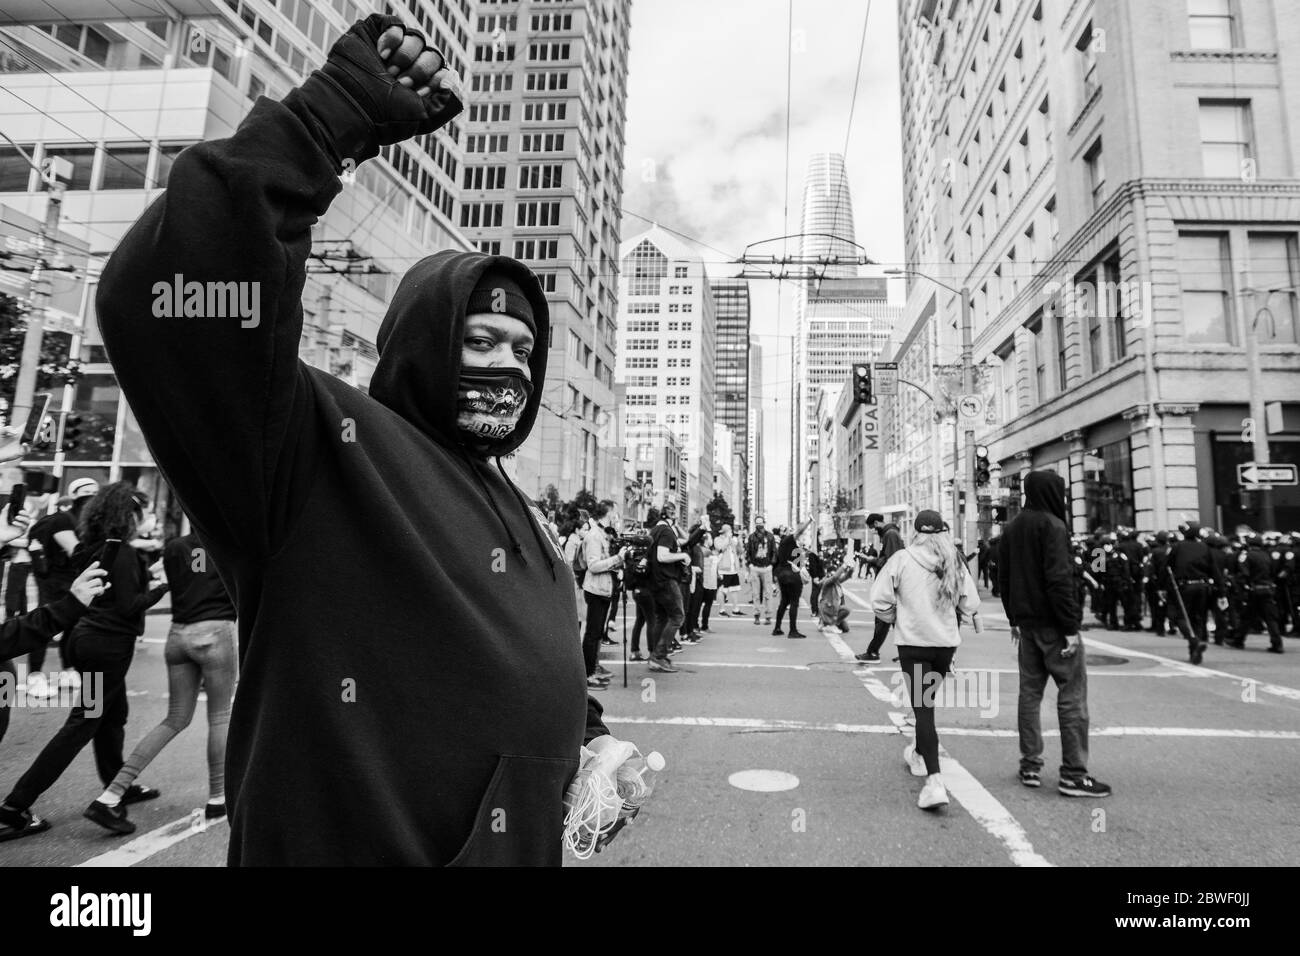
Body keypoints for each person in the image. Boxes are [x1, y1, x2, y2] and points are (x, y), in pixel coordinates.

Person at [95, 15, 644, 865]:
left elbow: (502, 649)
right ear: (424, 340)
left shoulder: (512, 501)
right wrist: (324, 122)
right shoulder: (316, 447)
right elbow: (171, 299)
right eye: (482, 340)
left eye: (527, 351)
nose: (510, 367)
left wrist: (586, 746)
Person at [0, 484, 170, 840]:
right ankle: (16, 804)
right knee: (85, 722)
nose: (150, 519)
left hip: (90, 642)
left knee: (113, 715)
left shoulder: (98, 549)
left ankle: (118, 784)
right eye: (147, 512)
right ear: (130, 515)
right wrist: (161, 586)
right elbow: (127, 606)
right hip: (105, 648)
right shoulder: (121, 553)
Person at [83, 527, 240, 834]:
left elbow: (167, 576)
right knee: (220, 717)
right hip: (216, 632)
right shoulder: (229, 543)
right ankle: (218, 798)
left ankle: (111, 793)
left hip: (178, 635)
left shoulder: (174, 547)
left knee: (174, 720)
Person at [998, 470, 1111, 798]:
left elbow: (1004, 578)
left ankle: (1030, 764)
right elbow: (1059, 580)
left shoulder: (1013, 527)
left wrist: (1013, 619)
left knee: (1029, 695)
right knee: (1072, 695)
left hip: (1026, 626)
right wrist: (1071, 628)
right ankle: (1074, 773)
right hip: (1054, 625)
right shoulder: (1053, 526)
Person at [871, 511, 980, 810]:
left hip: (914, 644)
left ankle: (934, 781)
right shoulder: (954, 560)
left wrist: (898, 618)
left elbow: (879, 600)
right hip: (944, 647)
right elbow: (971, 602)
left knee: (924, 710)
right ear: (943, 532)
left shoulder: (902, 559)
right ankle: (918, 754)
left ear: (917, 532)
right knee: (925, 704)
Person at [26, 481, 98, 695]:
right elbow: (76, 551)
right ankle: (34, 677)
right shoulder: (62, 520)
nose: (91, 496)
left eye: (94, 492)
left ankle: (67, 670)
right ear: (73, 495)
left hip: (72, 579)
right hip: (52, 581)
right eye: (85, 492)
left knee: (71, 624)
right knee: (44, 626)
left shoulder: (86, 521)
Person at [1158, 521, 1224, 665]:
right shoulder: (1205, 548)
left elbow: (1165, 568)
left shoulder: (1176, 547)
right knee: (1197, 618)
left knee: (1180, 616)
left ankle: (1194, 641)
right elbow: (1215, 571)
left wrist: (1162, 587)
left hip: (1184, 587)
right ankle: (1194, 650)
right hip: (1202, 586)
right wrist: (1222, 592)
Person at [580, 502, 628, 690]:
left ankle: (592, 670)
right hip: (595, 590)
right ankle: (587, 675)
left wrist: (618, 564)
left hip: (603, 589)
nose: (616, 518)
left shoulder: (602, 534)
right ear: (606, 514)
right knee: (592, 634)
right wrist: (618, 559)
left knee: (598, 633)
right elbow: (593, 565)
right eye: (614, 514)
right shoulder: (594, 536)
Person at [647, 504, 690, 673]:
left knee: (662, 617)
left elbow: (684, 539)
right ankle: (659, 655)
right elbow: (662, 555)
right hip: (666, 580)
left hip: (655, 580)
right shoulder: (665, 532)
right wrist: (682, 555)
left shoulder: (654, 530)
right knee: (678, 616)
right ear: (672, 517)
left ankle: (656, 656)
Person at [856, 513, 904, 663]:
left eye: (872, 528)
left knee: (883, 617)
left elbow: (892, 561)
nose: (873, 531)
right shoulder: (891, 533)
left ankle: (873, 652)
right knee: (895, 620)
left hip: (889, 585)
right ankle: (905, 652)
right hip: (892, 585)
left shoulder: (890, 534)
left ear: (876, 523)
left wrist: (874, 560)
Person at [1232, 533, 1283, 653]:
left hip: (1254, 590)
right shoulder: (1267, 555)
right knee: (1271, 618)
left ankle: (1238, 640)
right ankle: (1277, 644)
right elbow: (1274, 571)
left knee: (1246, 616)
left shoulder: (1246, 555)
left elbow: (1243, 573)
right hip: (1268, 589)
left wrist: (1241, 588)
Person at [771, 533, 806, 638]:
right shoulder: (793, 546)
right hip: (792, 576)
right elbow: (801, 565)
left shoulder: (782, 548)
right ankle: (793, 630)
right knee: (794, 603)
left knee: (784, 602)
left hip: (782, 575)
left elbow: (775, 562)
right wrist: (809, 521)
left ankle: (777, 628)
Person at [746, 516, 777, 626]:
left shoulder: (770, 537)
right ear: (755, 524)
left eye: (761, 523)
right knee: (755, 594)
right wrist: (750, 565)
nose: (759, 525)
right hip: (755, 567)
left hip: (766, 567)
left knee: (768, 593)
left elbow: (774, 551)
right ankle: (757, 616)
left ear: (764, 523)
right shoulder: (751, 537)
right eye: (757, 523)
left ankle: (768, 616)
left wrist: (771, 565)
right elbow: (748, 552)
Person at [714, 524, 742, 615]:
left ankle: (736, 609)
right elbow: (721, 548)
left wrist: (739, 540)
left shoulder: (732, 540)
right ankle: (722, 610)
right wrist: (727, 538)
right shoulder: (717, 539)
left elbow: (739, 551)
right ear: (725, 532)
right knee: (722, 589)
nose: (731, 532)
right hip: (723, 569)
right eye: (729, 531)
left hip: (733, 568)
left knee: (734, 589)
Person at [698, 531, 719, 633]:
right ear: (706, 540)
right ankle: (704, 625)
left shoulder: (699, 549)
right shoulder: (707, 552)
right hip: (708, 582)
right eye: (710, 538)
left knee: (697, 605)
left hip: (701, 581)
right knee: (707, 604)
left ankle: (695, 625)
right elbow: (712, 569)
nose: (712, 540)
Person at [806, 547, 825, 617]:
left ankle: (816, 611)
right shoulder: (818, 552)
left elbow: (813, 566)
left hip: (817, 577)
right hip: (820, 576)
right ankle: (817, 611)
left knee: (814, 596)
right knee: (818, 595)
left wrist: (814, 576)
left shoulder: (813, 553)